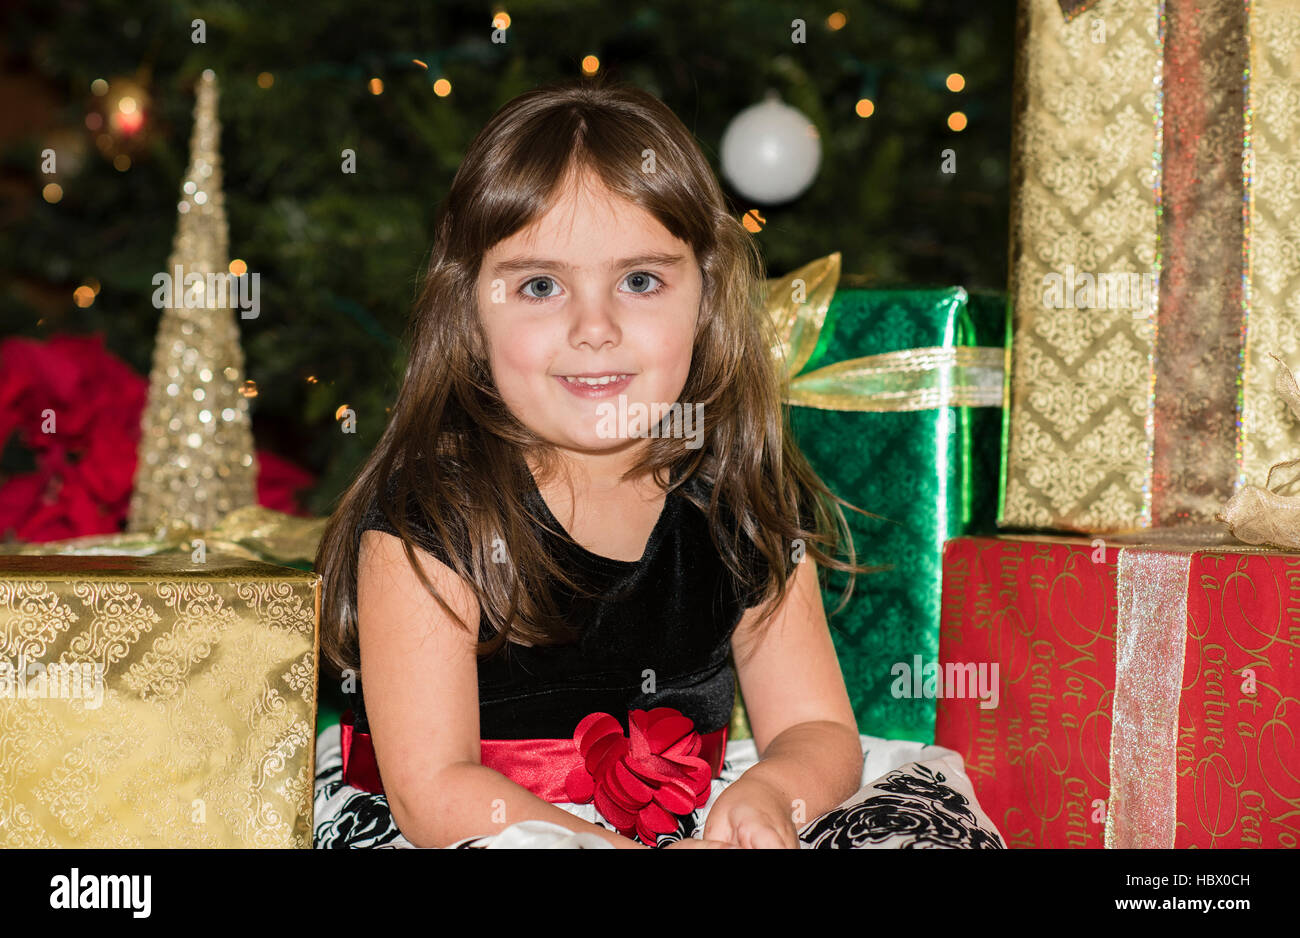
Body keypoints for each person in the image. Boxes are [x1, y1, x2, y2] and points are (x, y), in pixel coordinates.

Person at [311, 77, 1005, 849]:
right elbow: (434, 792)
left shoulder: (734, 500)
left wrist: (769, 798)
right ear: (470, 312)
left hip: (689, 820)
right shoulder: (431, 519)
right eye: (540, 286)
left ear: (705, 296)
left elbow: (816, 727)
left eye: (639, 281)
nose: (595, 327)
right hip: (478, 826)